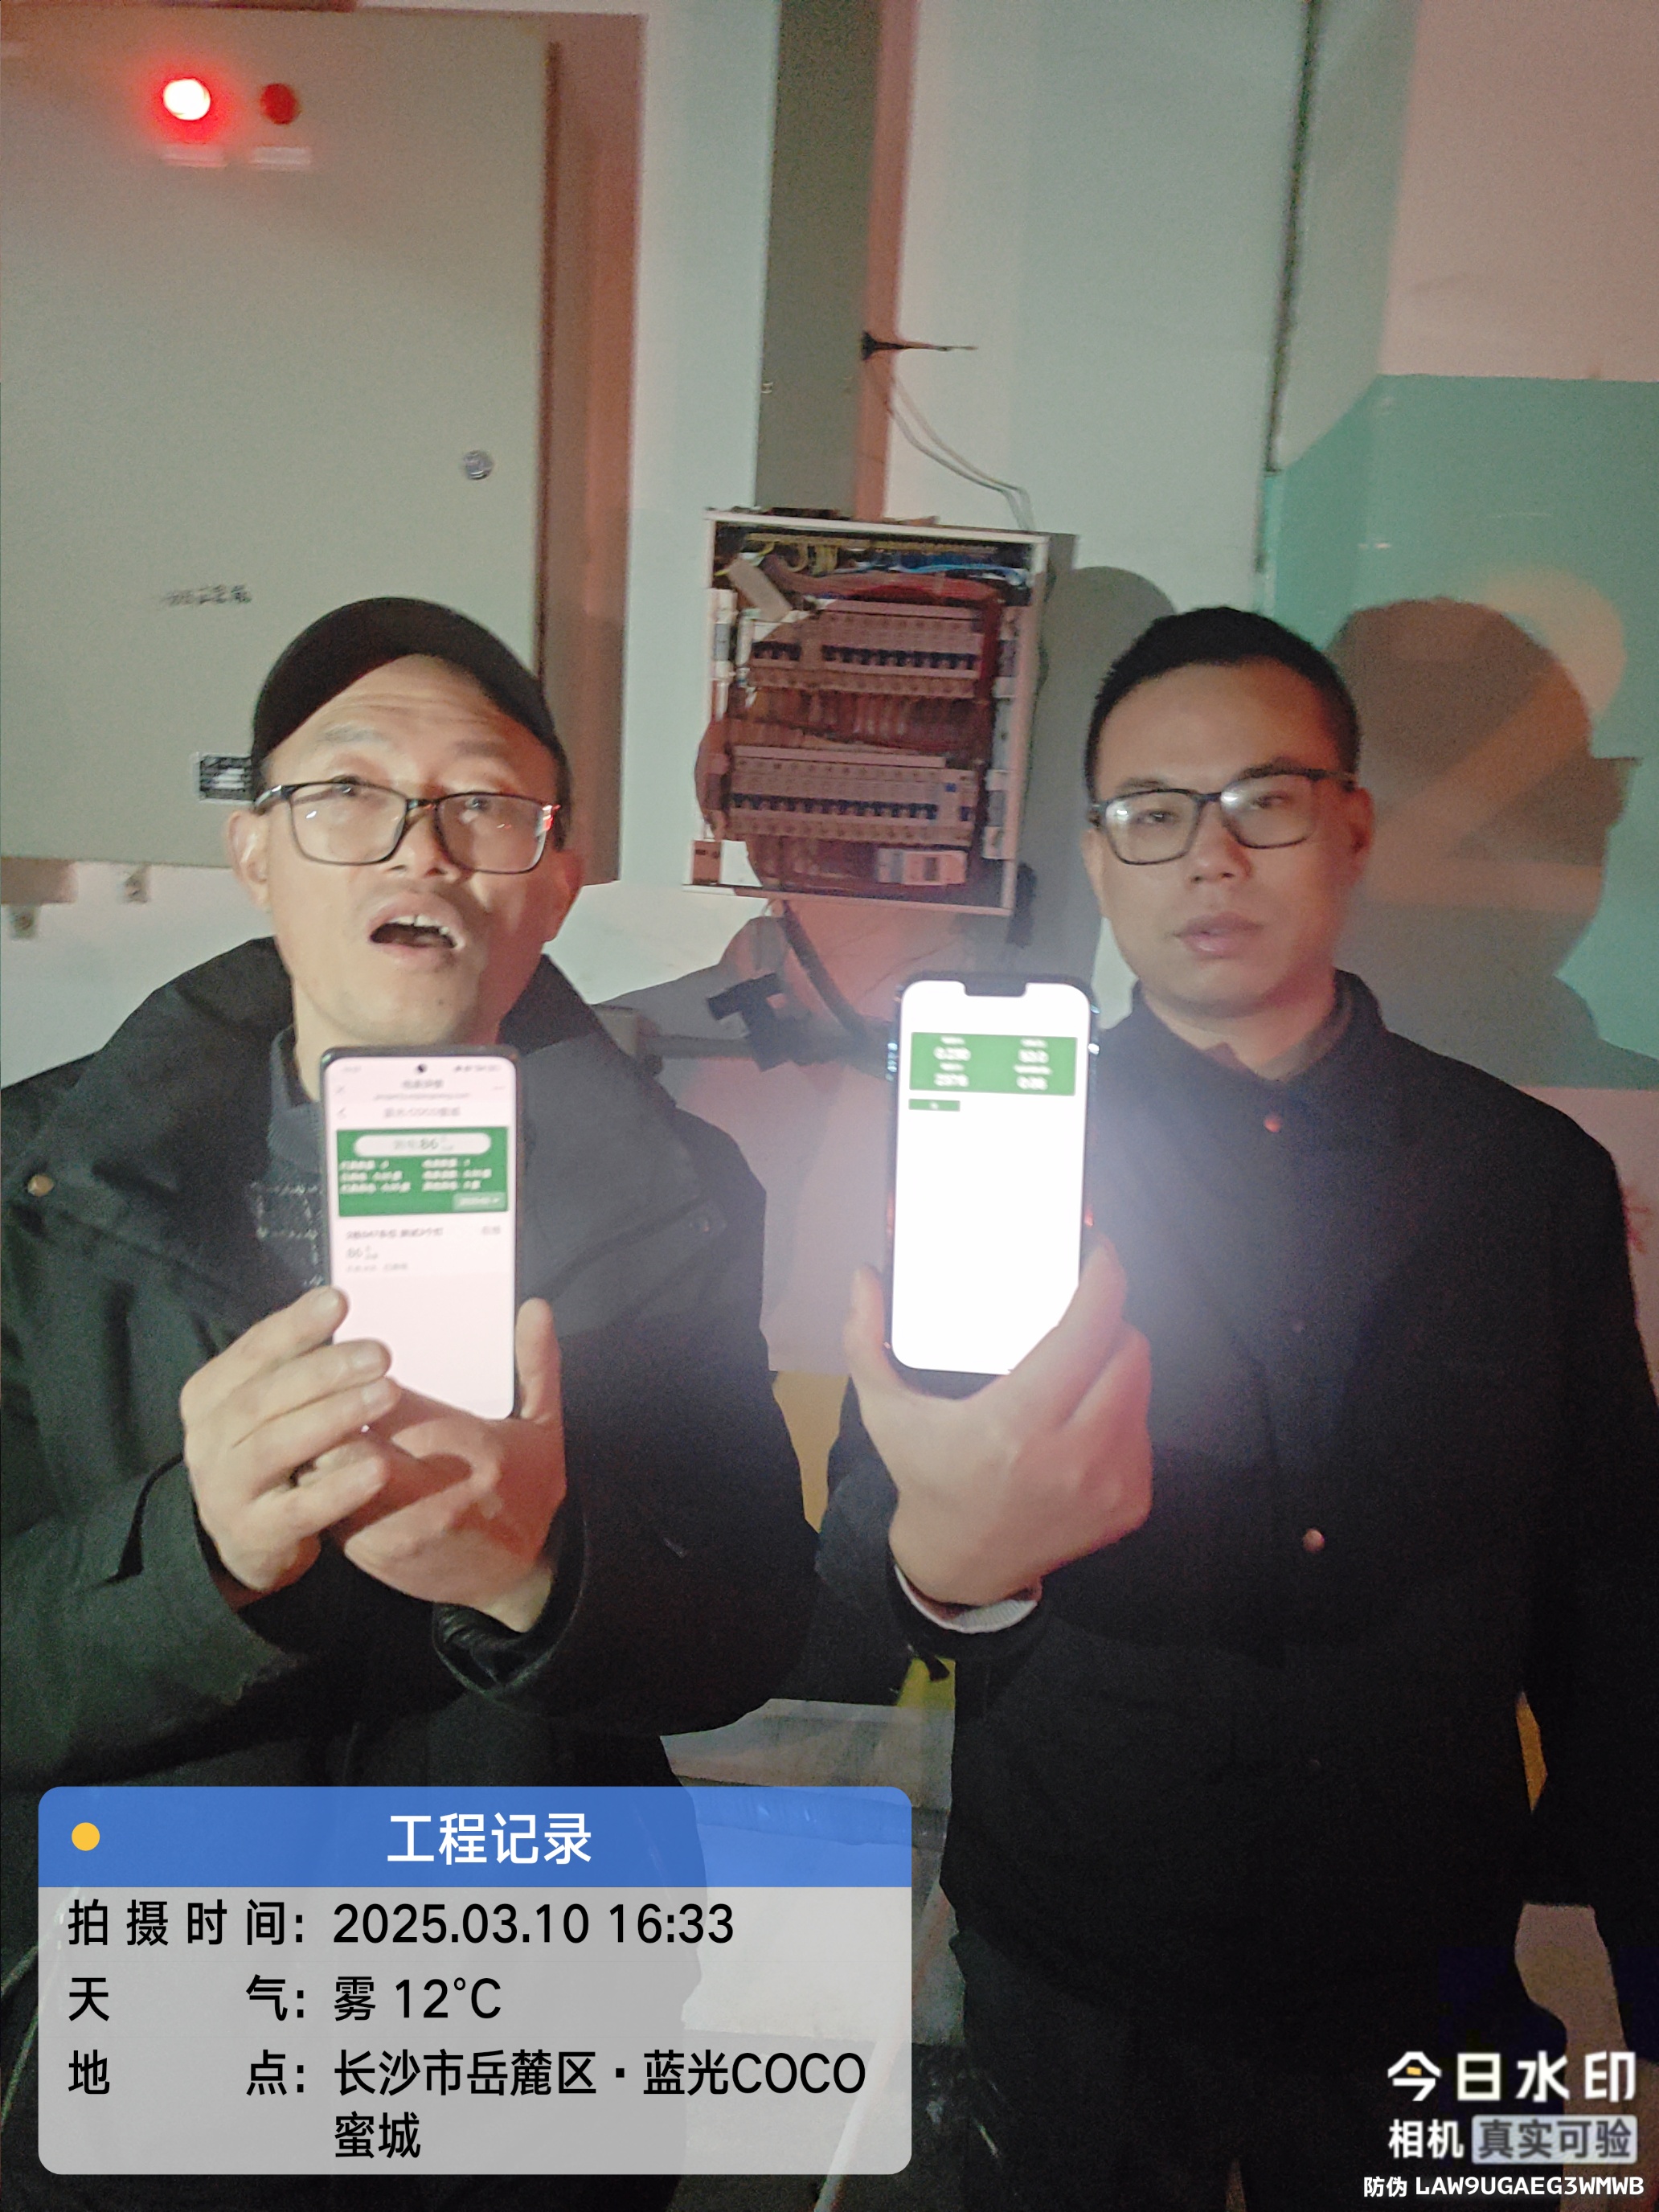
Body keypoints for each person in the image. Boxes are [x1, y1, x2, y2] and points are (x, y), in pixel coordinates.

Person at [819, 607, 1659, 2210]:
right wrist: (943, 1558)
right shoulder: (994, 1164)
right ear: (1099, 857)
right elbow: (855, 1584)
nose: (1210, 855)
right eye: (1152, 812)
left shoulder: (1529, 1178)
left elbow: (1616, 1593)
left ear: (1352, 825)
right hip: (1072, 1959)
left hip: (1430, 1964)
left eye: (1264, 799)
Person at [2, 598, 817, 2210]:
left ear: (557, 878)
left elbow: (748, 1628)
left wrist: (541, 1571)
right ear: (256, 850)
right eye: (349, 791)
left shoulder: (681, 1193)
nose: (421, 848)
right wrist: (192, 1558)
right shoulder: (37, 1189)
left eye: (485, 804)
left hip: (530, 2061)